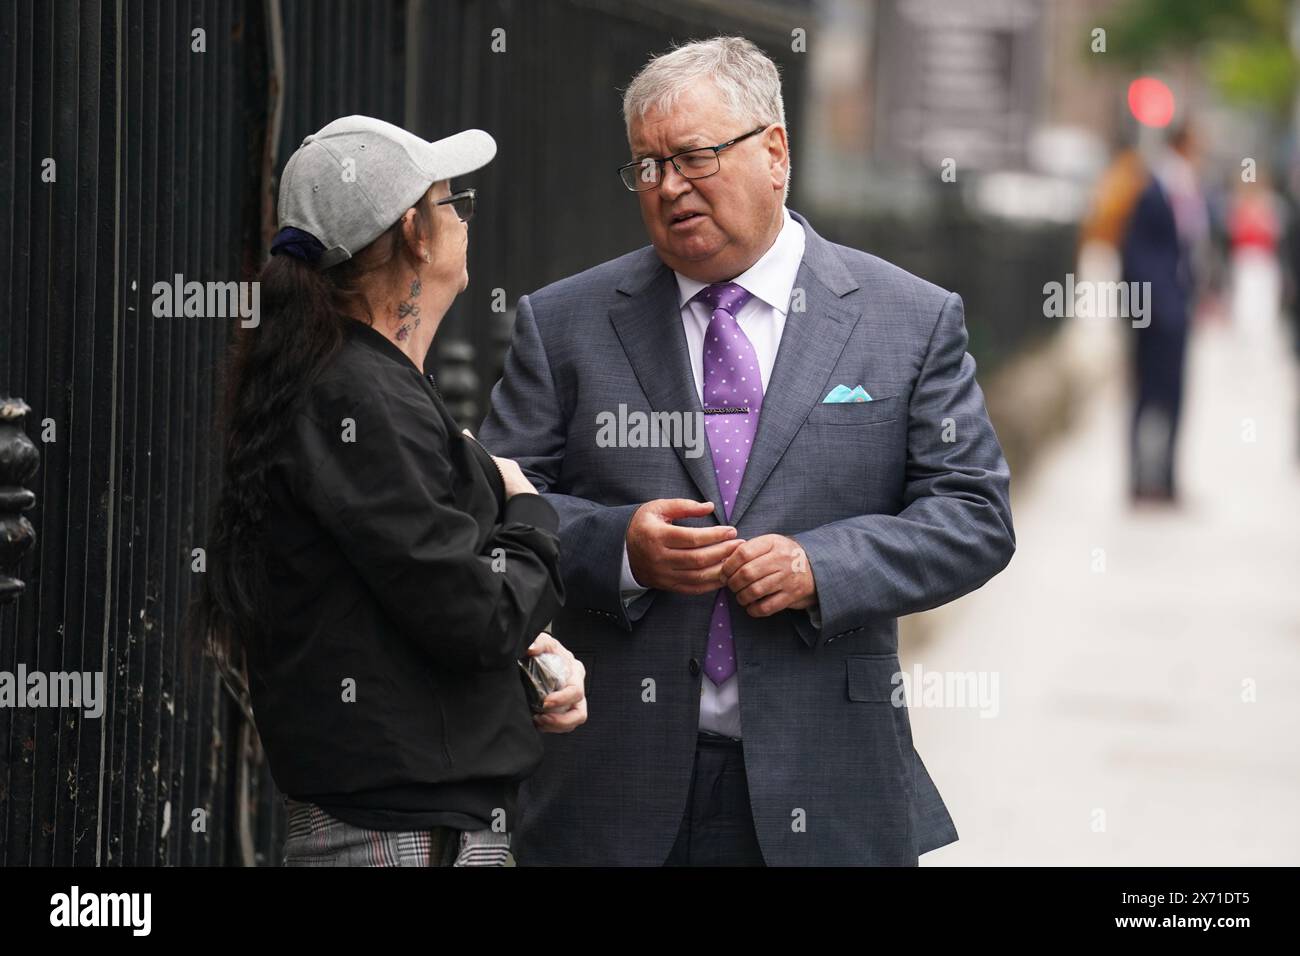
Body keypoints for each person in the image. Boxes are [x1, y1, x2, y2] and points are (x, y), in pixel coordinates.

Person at [478, 38, 1014, 866]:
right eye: (646, 167)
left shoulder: (907, 319)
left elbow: (974, 516)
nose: (668, 187)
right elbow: (500, 508)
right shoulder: (567, 323)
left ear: (775, 152)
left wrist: (821, 566)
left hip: (827, 786)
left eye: (692, 156)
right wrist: (620, 548)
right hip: (613, 788)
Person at [194, 115, 586, 867]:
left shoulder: (354, 383)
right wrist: (529, 513)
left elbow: (406, 600)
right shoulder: (356, 396)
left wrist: (527, 658)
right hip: (402, 840)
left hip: (413, 826)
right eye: (452, 201)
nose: (463, 219)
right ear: (414, 231)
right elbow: (472, 615)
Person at [1122, 121, 1207, 504]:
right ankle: (1143, 481)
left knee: (1171, 398)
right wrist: (1160, 308)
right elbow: (1138, 258)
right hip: (1158, 318)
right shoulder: (1156, 191)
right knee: (1148, 398)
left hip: (1174, 315)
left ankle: (1165, 479)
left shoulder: (1182, 187)